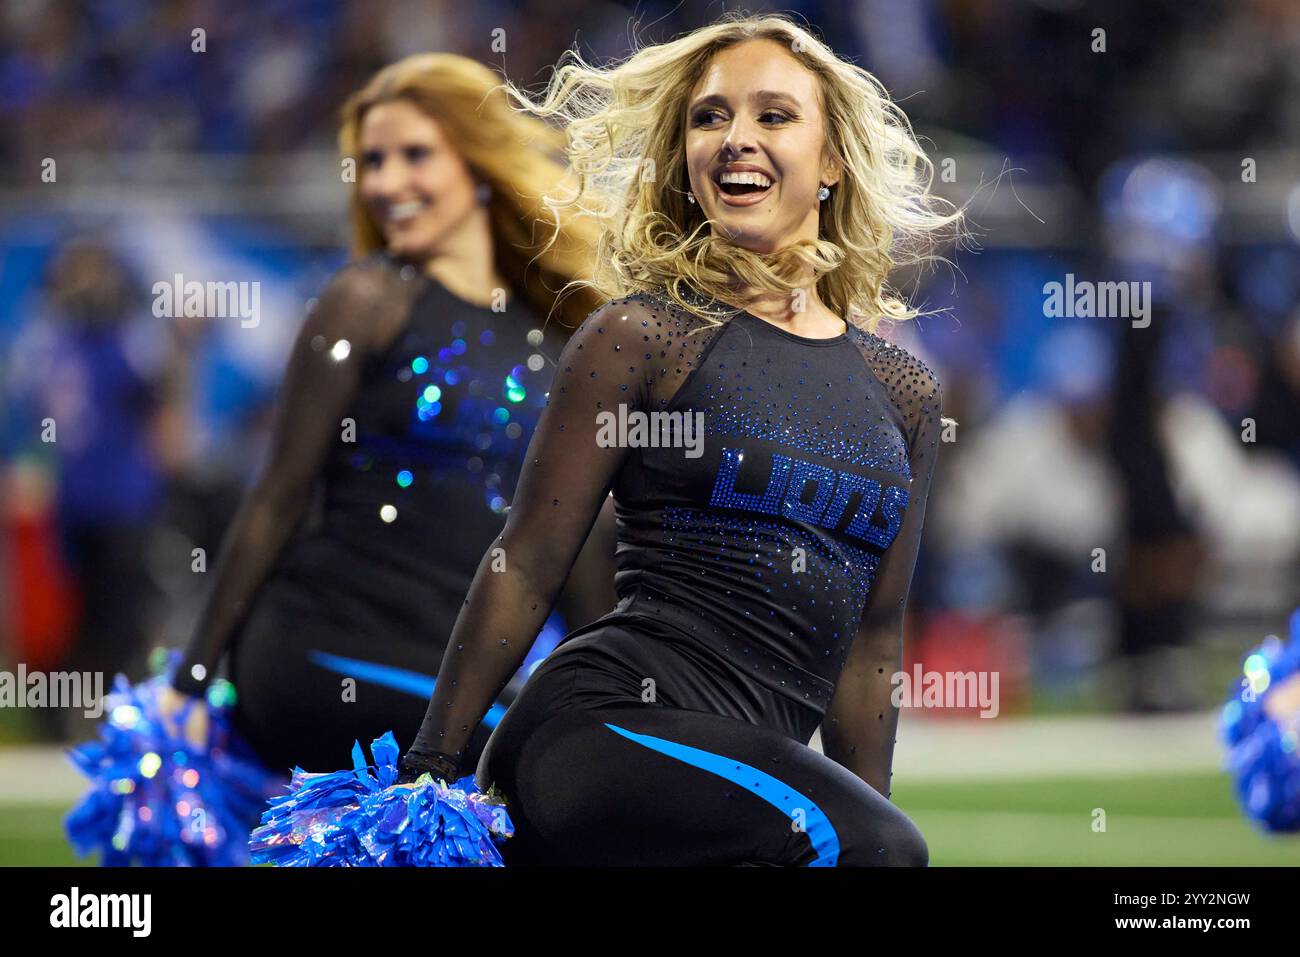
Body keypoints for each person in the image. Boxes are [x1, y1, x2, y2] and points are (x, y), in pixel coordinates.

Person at [400, 15, 958, 865]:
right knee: (887, 850)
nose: (736, 138)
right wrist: (429, 778)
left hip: (732, 771)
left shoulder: (906, 393)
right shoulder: (643, 337)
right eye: (709, 117)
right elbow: (530, 558)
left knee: (869, 845)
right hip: (602, 729)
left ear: (833, 161)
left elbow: (873, 648)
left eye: (774, 116)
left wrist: (851, 811)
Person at [160, 53, 615, 774]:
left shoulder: (568, 335)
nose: (383, 183)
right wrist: (191, 679)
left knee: (570, 768)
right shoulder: (366, 299)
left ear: (476, 164)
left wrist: (611, 710)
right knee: (507, 759)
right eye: (371, 161)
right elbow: (279, 494)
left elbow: (582, 543)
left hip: (462, 678)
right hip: (321, 648)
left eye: (413, 156)